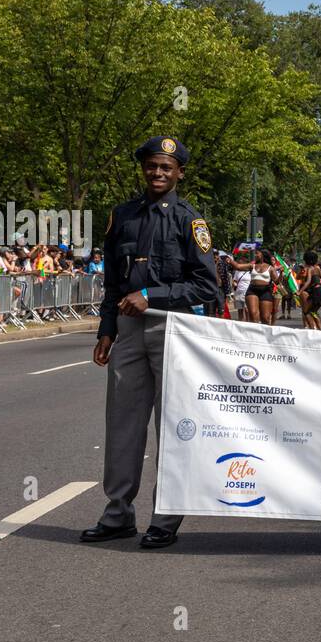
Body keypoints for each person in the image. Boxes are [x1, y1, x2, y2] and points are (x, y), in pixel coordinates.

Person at [81, 135, 219, 550]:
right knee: (123, 423)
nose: (157, 173)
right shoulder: (122, 216)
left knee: (172, 425)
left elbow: (206, 285)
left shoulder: (190, 220)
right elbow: (113, 283)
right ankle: (118, 513)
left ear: (179, 173)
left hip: (172, 330)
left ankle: (165, 516)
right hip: (127, 330)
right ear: (143, 169)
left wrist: (153, 296)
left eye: (166, 168)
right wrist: (106, 329)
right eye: (152, 166)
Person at [299, 250, 321, 330]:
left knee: (307, 312)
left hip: (316, 292)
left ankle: (313, 329)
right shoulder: (317, 268)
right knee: (313, 312)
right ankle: (320, 329)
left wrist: (300, 291)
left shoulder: (310, 269)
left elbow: (308, 282)